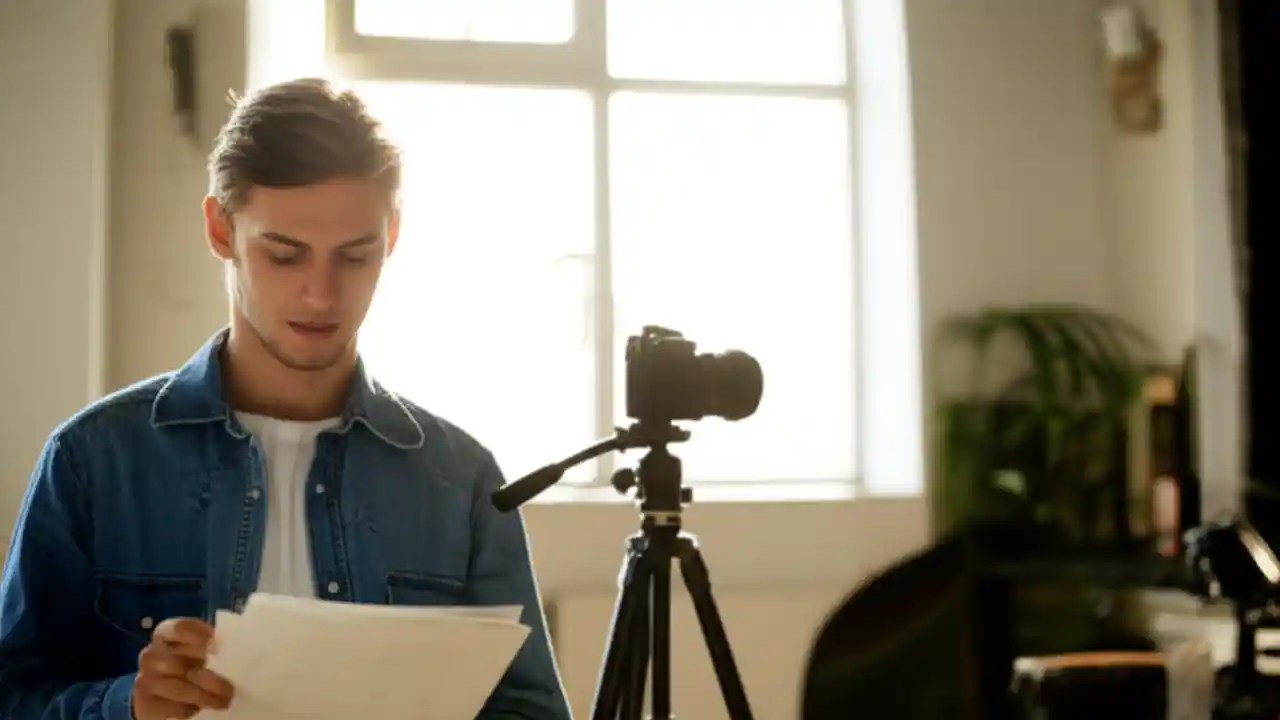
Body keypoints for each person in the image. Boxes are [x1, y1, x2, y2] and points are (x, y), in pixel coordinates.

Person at [0, 77, 572, 720]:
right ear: (221, 229)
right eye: (285, 255)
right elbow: (14, 695)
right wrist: (124, 706)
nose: (321, 296)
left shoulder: (461, 480)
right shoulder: (94, 460)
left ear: (392, 237)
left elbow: (530, 713)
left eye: (355, 257)